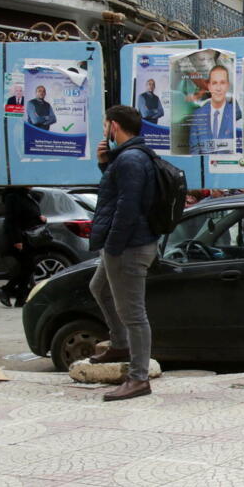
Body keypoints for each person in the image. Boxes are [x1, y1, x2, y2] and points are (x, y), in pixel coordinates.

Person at [85, 105, 160, 401]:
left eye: (105, 125)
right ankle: (119, 344)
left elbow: (127, 207)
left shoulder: (130, 159)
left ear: (113, 126)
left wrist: (113, 246)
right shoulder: (129, 156)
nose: (104, 130)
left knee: (134, 314)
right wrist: (105, 163)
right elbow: (118, 192)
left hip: (129, 246)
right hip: (126, 243)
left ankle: (138, 378)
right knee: (99, 287)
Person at [0, 187, 46, 308]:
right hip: (18, 238)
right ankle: (6, 290)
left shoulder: (28, 195)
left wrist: (40, 218)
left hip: (27, 238)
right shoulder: (13, 197)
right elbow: (12, 220)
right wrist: (17, 240)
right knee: (28, 267)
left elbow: (28, 214)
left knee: (26, 268)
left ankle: (20, 299)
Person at [188, 65, 236, 154]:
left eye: (222, 83)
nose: (218, 88)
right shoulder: (197, 115)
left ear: (227, 86)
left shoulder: (235, 114)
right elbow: (194, 151)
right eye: (214, 83)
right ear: (209, 87)